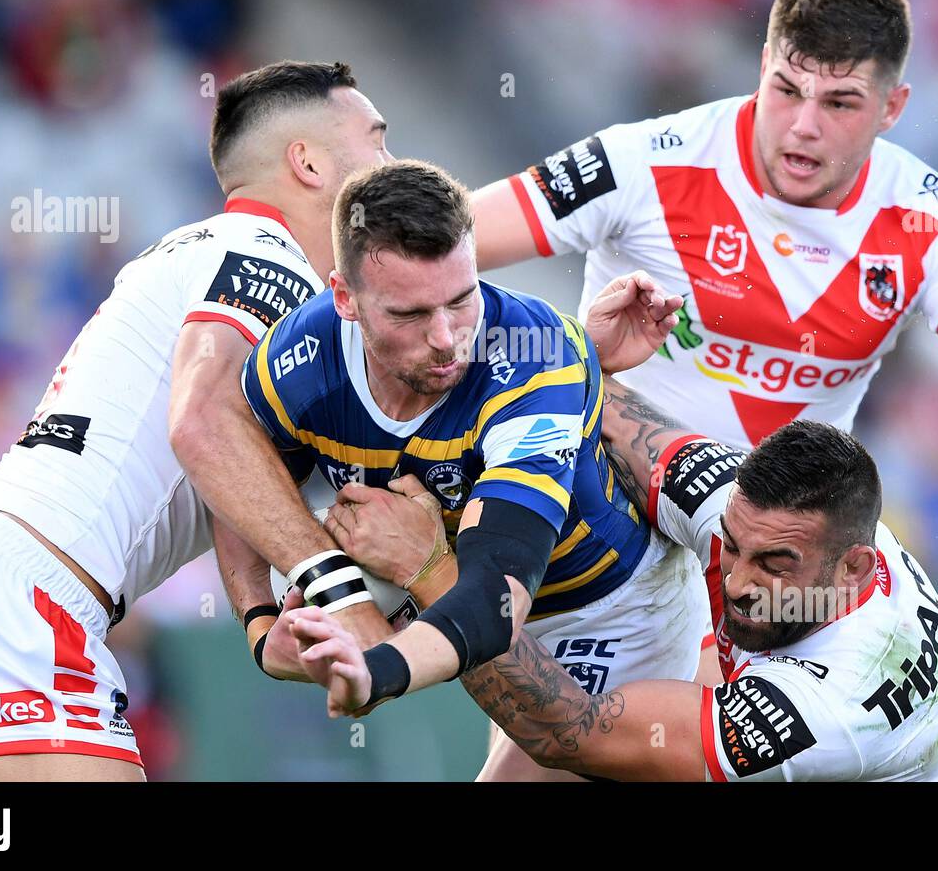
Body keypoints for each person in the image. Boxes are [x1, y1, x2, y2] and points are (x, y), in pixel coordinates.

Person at [0, 60, 393, 781]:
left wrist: (260, 618)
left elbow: (231, 454)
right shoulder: (270, 260)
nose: (389, 164)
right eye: (377, 140)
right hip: (20, 594)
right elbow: (204, 426)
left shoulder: (197, 251)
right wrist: (344, 595)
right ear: (307, 161)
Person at [472, 0, 938, 453]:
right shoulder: (642, 160)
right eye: (786, 89)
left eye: (839, 103)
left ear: (893, 108)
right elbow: (448, 244)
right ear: (762, 67)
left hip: (784, 556)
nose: (803, 125)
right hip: (616, 508)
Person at [240, 158, 707, 781]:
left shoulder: (535, 363)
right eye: (409, 314)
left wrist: (382, 658)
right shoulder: (298, 360)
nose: (446, 338)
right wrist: (259, 624)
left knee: (565, 751)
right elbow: (234, 470)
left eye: (463, 300)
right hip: (461, 610)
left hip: (603, 611)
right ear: (345, 298)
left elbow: (496, 600)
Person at [289, 411, 938, 782]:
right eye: (734, 547)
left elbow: (574, 734)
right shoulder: (768, 519)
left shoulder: (836, 700)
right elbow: (593, 408)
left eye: (775, 566)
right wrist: (584, 346)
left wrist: (430, 567)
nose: (741, 582)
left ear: (854, 570)